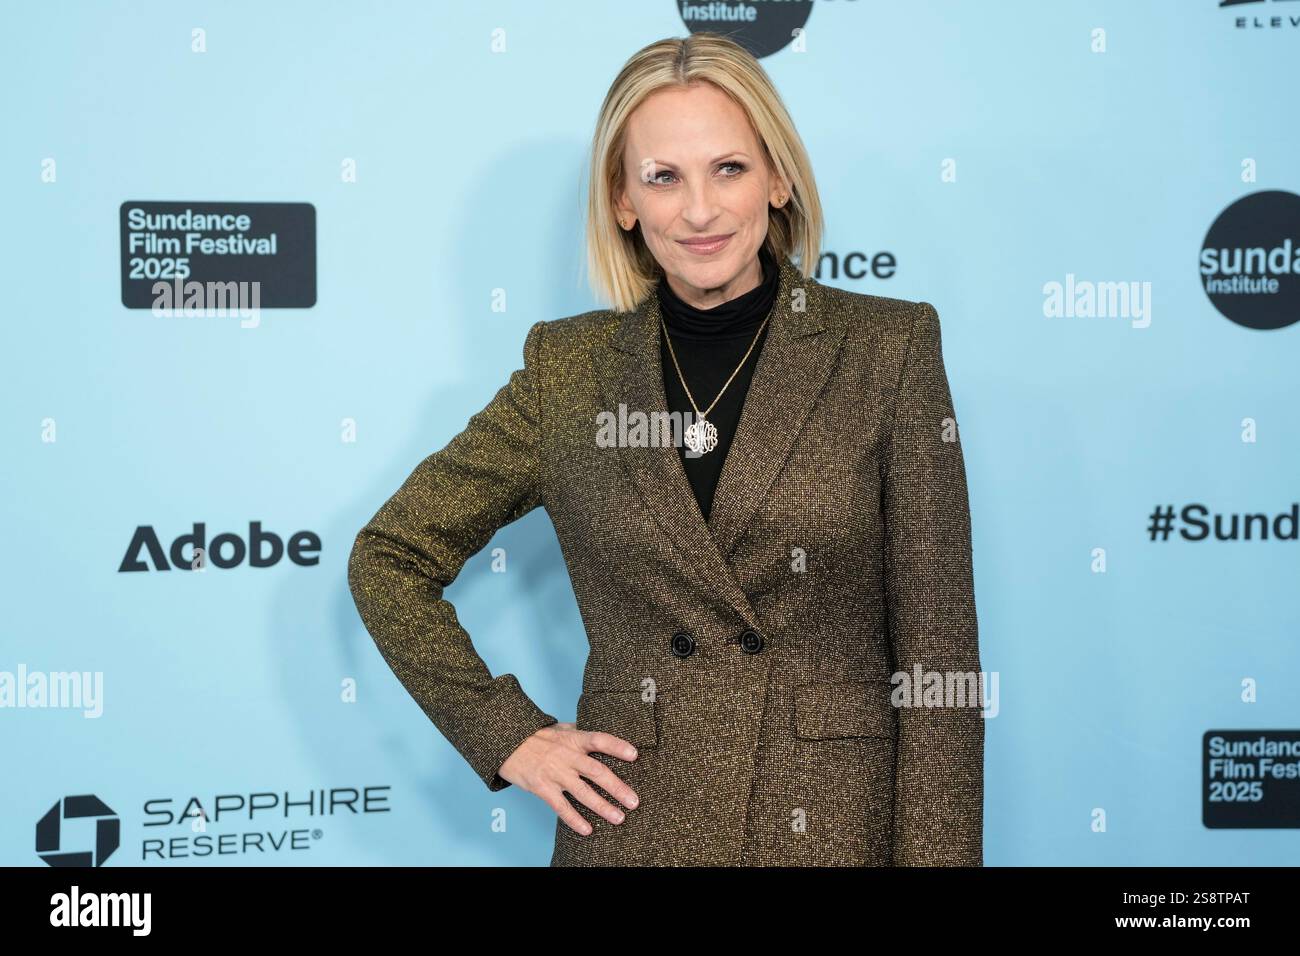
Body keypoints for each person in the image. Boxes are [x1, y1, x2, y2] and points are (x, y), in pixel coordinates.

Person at [347, 32, 984, 866]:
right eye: (663, 178)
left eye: (729, 169)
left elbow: (940, 662)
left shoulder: (887, 349)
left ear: (779, 178)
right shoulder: (567, 371)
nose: (699, 211)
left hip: (831, 827)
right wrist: (508, 734)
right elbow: (387, 555)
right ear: (622, 201)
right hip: (635, 825)